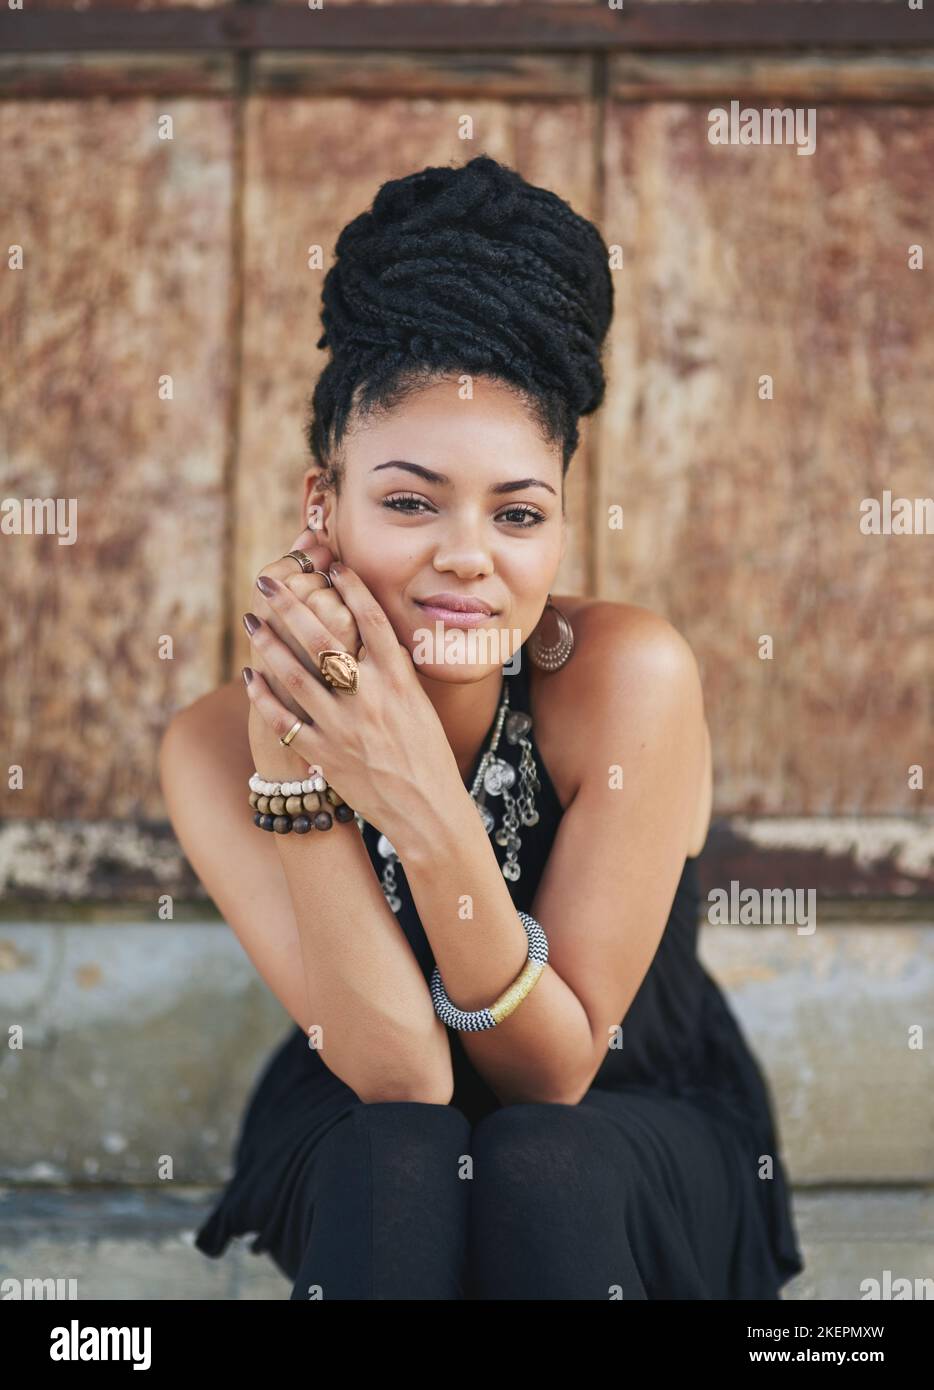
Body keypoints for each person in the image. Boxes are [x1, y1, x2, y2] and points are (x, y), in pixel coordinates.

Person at [159, 154, 805, 1300]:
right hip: (368, 1099)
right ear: (325, 503)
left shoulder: (624, 676)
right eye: (408, 501)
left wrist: (410, 788)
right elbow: (403, 1074)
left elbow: (554, 1072)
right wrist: (291, 758)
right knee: (400, 1157)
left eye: (517, 512)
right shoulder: (217, 741)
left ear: (559, 520)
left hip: (625, 1106)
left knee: (535, 1157)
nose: (467, 554)